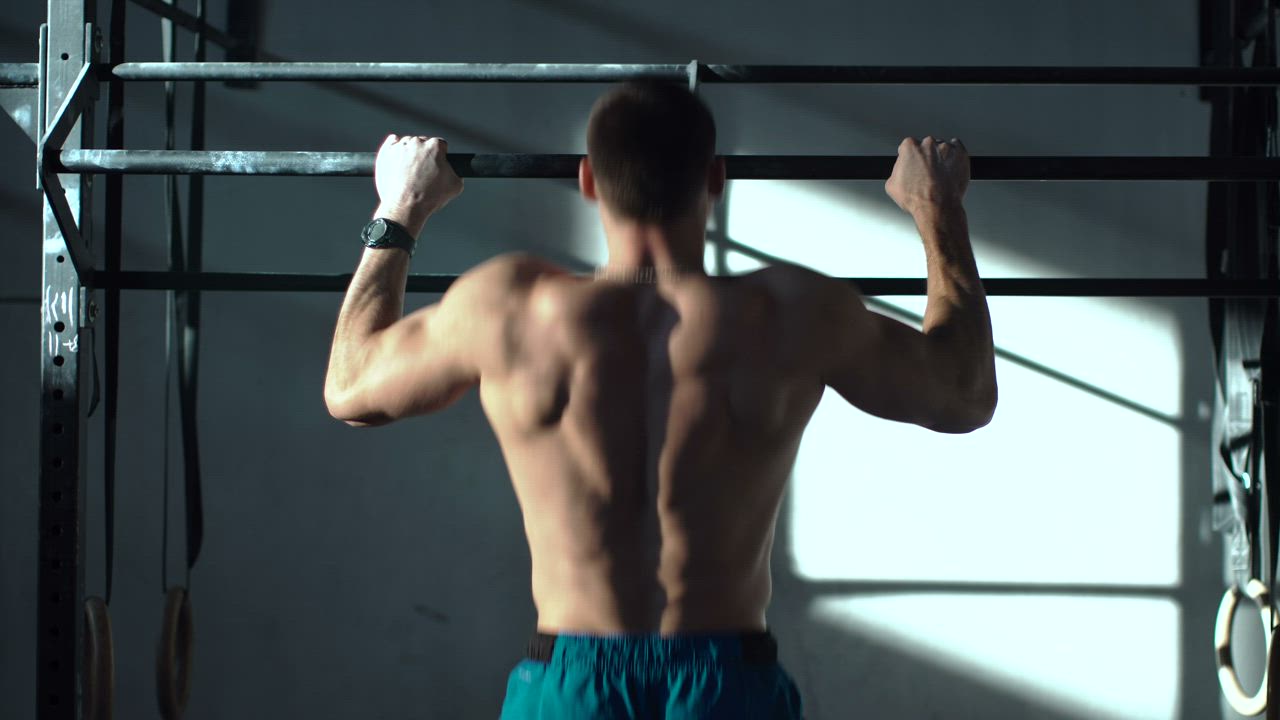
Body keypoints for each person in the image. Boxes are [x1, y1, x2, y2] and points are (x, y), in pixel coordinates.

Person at [323, 80, 997, 719]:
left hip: (569, 680)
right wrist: (939, 208)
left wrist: (399, 213)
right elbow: (963, 396)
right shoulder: (792, 312)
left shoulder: (508, 308)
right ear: (715, 179)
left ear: (588, 181)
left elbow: (351, 391)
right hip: (726, 680)